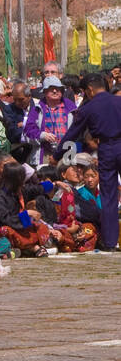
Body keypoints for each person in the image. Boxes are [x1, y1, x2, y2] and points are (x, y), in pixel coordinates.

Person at [60, 72, 121, 251]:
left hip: (107, 148)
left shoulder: (89, 108)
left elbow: (73, 133)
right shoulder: (119, 101)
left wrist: (58, 153)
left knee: (108, 196)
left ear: (89, 90)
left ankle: (110, 243)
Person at [23, 76, 74, 166]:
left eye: (58, 89)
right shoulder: (36, 109)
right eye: (51, 89)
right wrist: (42, 135)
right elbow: (28, 130)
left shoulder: (71, 108)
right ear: (45, 92)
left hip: (67, 153)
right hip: (45, 154)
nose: (55, 91)